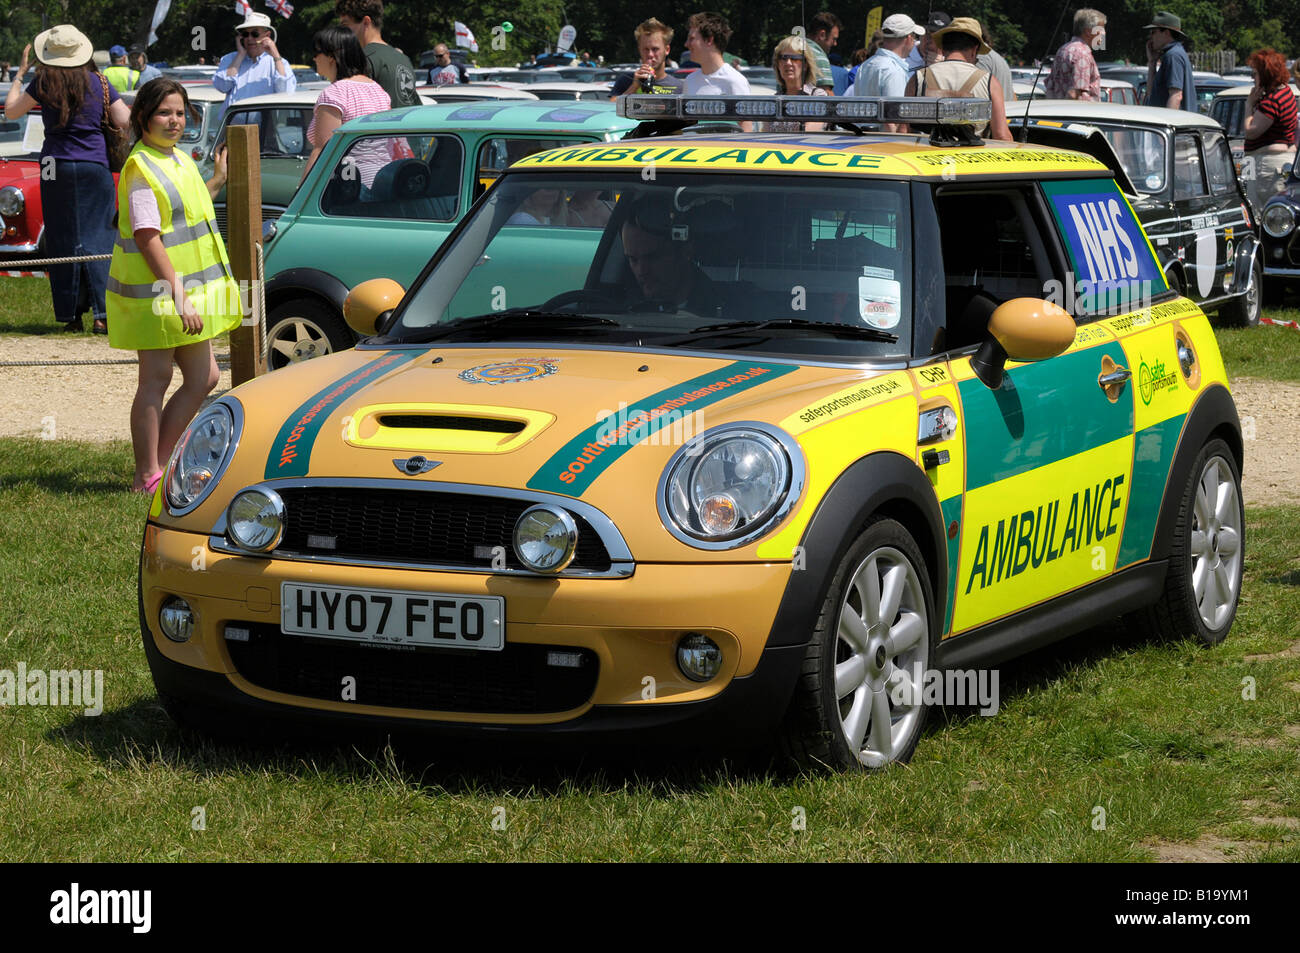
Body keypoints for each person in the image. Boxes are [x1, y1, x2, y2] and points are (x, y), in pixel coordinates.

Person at [106, 79, 242, 493]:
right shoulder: (141, 166)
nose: (174, 120)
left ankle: (160, 465)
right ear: (144, 116)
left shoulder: (178, 159)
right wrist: (178, 295)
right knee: (156, 378)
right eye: (165, 112)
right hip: (159, 293)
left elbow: (186, 211)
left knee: (204, 377)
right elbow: (149, 237)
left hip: (181, 294)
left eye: (181, 113)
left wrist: (217, 179)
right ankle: (146, 474)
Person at [4, 25, 130, 334]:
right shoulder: (100, 83)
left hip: (53, 165)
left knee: (62, 239)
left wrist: (20, 75)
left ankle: (70, 315)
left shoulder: (44, 81)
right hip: (94, 164)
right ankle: (103, 315)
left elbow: (11, 112)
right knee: (100, 237)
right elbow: (125, 120)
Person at [303, 26, 391, 185]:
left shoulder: (334, 93)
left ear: (331, 56)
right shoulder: (379, 91)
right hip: (384, 182)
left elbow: (324, 151)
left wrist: (300, 196)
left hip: (349, 188)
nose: (314, 59)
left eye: (316, 53)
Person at [906, 17, 1012, 142]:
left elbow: (904, 131)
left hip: (924, 156)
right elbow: (1001, 135)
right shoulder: (990, 82)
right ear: (974, 50)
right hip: (971, 158)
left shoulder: (918, 78)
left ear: (943, 48)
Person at [1243, 48, 1298, 213]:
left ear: (1265, 75)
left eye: (1255, 74)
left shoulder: (1273, 101)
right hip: (1263, 162)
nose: (1253, 78)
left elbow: (1250, 131)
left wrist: (1249, 105)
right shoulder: (1286, 92)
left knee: (1260, 214)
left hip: (1266, 165)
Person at [336, 0, 419, 108]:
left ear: (366, 22)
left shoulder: (360, 59)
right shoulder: (403, 59)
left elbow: (354, 112)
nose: (342, 31)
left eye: (345, 24)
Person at [212, 10, 296, 112]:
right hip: (231, 126)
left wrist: (276, 56)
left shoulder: (279, 63)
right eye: (245, 34)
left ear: (267, 36)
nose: (250, 38)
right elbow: (222, 86)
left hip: (264, 127)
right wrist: (240, 55)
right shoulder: (229, 59)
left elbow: (285, 92)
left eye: (255, 34)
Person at [854, 13, 924, 131]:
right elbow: (893, 121)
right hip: (884, 143)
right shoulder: (893, 70)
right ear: (909, 38)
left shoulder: (865, 65)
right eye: (915, 37)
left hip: (862, 141)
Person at [609, 18, 684, 98]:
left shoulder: (679, 87)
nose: (650, 54)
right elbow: (610, 108)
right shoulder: (626, 80)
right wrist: (634, 87)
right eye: (645, 49)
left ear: (667, 50)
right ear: (639, 50)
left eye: (655, 49)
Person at [767, 36, 827, 132]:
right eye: (783, 58)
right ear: (777, 64)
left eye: (794, 58)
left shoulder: (817, 96)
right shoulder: (774, 100)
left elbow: (809, 132)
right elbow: (764, 136)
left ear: (805, 65)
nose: (788, 63)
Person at [683, 13, 750, 96]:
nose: (686, 44)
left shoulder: (735, 82)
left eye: (691, 38)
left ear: (709, 40)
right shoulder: (690, 81)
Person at [1045, 9, 1105, 101]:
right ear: (1088, 32)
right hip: (1079, 113)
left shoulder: (1063, 49)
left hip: (1057, 110)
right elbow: (1074, 94)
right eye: (1100, 30)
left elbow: (1050, 88)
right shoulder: (1082, 54)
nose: (1103, 33)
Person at [1144, 11, 1195, 110]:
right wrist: (1152, 62)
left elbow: (1176, 96)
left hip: (1172, 123)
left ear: (1167, 33)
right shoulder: (1172, 53)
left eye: (1153, 32)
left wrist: (1168, 124)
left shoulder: (1173, 55)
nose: (1151, 37)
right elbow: (1151, 94)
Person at [977, 25, 1015, 103]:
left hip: (994, 113)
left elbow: (979, 95)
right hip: (1005, 111)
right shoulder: (993, 56)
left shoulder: (981, 57)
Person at [907, 11, 951, 75]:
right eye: (928, 35)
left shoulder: (949, 64)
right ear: (920, 35)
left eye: (937, 38)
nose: (931, 43)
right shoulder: (903, 57)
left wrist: (940, 69)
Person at [805, 11, 840, 93]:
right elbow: (827, 95)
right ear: (822, 35)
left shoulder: (792, 50)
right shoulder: (818, 56)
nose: (835, 44)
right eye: (834, 39)